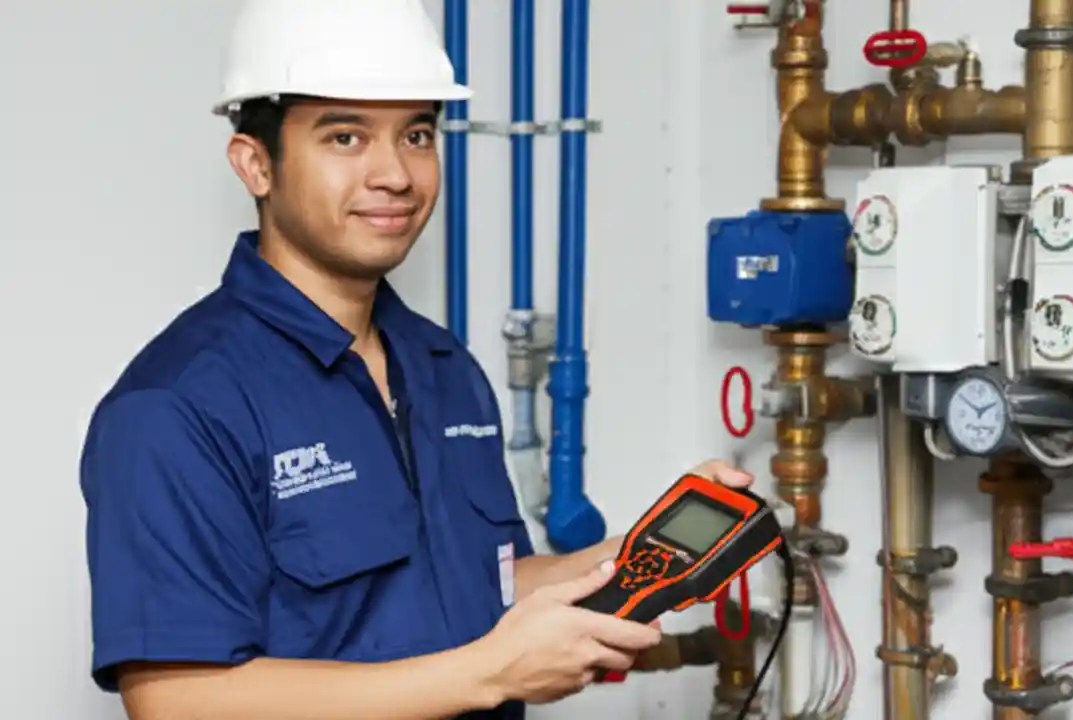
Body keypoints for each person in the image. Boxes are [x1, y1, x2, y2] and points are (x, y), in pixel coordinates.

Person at [78, 1, 754, 718]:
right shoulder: (177, 406)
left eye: (418, 134)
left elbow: (473, 584)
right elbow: (179, 703)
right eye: (345, 137)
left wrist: (635, 554)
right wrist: (489, 675)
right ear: (256, 164)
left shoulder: (442, 366)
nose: (395, 174)